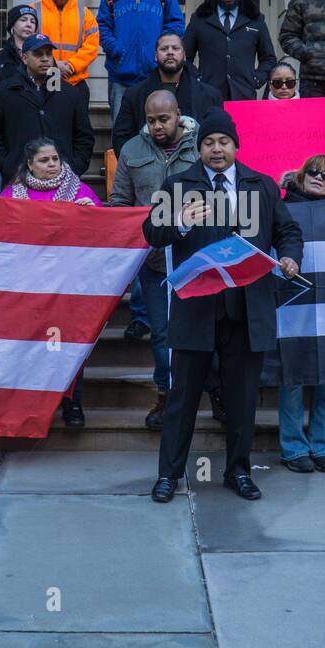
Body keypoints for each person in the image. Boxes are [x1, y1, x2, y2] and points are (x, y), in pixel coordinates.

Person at [145, 108, 303, 503]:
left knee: (241, 399)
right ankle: (169, 475)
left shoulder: (261, 186)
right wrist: (179, 220)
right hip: (196, 308)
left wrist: (289, 256)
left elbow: (288, 230)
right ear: (199, 149)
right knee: (182, 398)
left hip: (245, 311)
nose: (216, 150)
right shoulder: (179, 184)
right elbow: (151, 232)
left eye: (223, 142)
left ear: (236, 145)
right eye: (208, 143)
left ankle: (238, 471)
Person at [0, 137, 100, 428]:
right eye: (44, 160)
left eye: (55, 159)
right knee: (30, 348)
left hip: (66, 286)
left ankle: (73, 404)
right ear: (30, 165)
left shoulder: (79, 190)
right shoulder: (13, 193)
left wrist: (94, 213)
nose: (52, 165)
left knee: (69, 346)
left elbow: (102, 235)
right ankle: (32, 406)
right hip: (28, 287)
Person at [108, 90, 200, 429]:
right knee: (162, 334)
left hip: (198, 257)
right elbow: (119, 202)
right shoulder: (132, 149)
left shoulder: (203, 143)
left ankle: (215, 391)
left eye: (164, 119)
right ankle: (167, 396)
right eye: (151, 120)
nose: (157, 126)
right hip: (154, 261)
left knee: (208, 331)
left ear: (178, 114)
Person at [276, 155, 325, 472]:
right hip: (292, 302)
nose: (318, 177)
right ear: (300, 175)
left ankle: (322, 446)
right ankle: (293, 448)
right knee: (292, 377)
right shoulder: (280, 208)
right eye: (312, 171)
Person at [0, 33, 95, 186]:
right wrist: (9, 166)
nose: (45, 58)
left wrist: (73, 167)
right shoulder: (4, 91)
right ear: (25, 58)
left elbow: (84, 136)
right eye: (38, 54)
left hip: (63, 182)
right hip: (17, 182)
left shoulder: (70, 93)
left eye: (48, 53)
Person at [97, 0, 185, 124]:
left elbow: (176, 24)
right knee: (122, 126)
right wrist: (116, 50)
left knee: (157, 125)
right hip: (120, 77)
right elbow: (102, 27)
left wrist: (160, 48)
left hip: (155, 74)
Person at [110, 31, 223, 156]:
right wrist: (137, 167)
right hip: (148, 169)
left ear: (185, 56)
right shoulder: (133, 95)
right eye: (164, 49)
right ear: (155, 56)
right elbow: (121, 138)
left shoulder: (210, 96)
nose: (170, 52)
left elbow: (217, 137)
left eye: (175, 48)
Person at [183, 0, 276, 100]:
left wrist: (256, 79)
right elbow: (184, 56)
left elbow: (269, 58)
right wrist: (198, 79)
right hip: (209, 95)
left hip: (244, 94)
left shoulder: (255, 20)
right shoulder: (200, 19)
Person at [0, 3, 37, 195]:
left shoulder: (45, 60)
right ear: (12, 26)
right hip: (6, 139)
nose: (29, 24)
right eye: (23, 20)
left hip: (37, 137)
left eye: (33, 21)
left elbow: (53, 96)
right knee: (3, 192)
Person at [35, 0, 100, 96]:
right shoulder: (34, 11)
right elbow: (26, 45)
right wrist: (53, 65)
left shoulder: (84, 13)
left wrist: (70, 66)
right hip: (43, 81)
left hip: (75, 81)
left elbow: (92, 46)